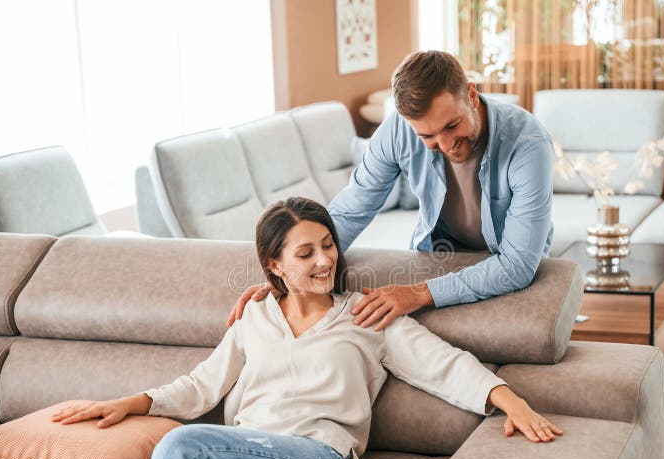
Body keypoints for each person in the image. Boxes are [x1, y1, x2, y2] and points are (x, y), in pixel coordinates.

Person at [52, 197, 562, 459]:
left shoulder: (365, 314)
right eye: (305, 254)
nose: (324, 261)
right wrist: (131, 402)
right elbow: (203, 385)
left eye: (328, 245)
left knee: (183, 443)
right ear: (275, 265)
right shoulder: (254, 315)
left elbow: (444, 364)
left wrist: (509, 400)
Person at [227, 51, 554, 332]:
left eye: (452, 125)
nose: (446, 145)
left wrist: (419, 292)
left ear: (471, 94)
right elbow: (352, 209)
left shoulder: (527, 144)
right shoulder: (398, 129)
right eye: (427, 136)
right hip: (438, 255)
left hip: (504, 260)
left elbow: (516, 265)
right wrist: (290, 278)